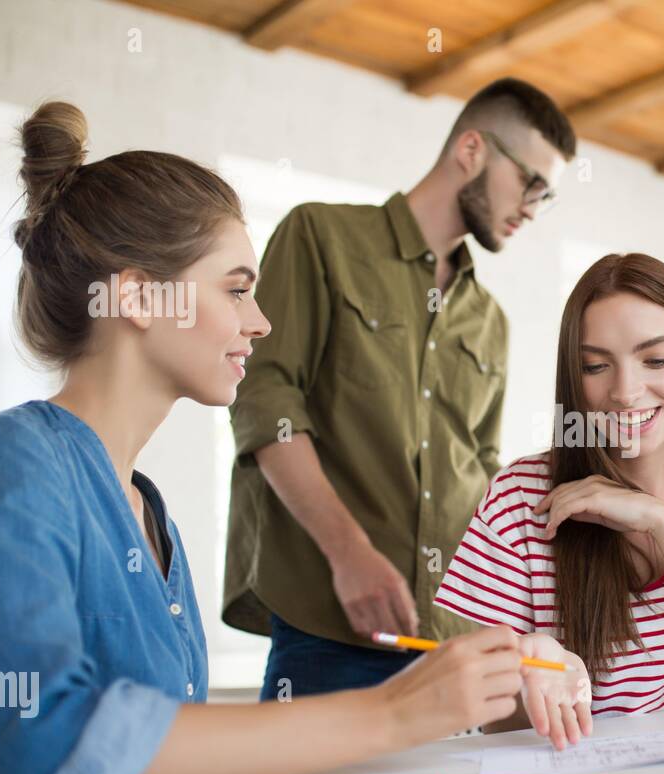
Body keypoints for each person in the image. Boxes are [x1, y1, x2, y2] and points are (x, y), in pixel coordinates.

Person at [0, 101, 538, 774]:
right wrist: (390, 714)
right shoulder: (5, 468)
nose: (261, 320)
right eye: (236, 289)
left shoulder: (149, 517)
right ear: (137, 295)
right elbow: (42, 749)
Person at [224, 78, 578, 700]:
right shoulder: (321, 238)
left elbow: (484, 472)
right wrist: (348, 552)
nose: (533, 208)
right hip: (327, 628)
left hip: (454, 642)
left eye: (546, 197)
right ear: (472, 150)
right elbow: (266, 399)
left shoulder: (490, 321)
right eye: (532, 184)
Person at [435, 253, 664, 746]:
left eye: (656, 360)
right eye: (595, 366)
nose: (626, 392)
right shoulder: (518, 497)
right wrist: (531, 659)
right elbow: (491, 724)